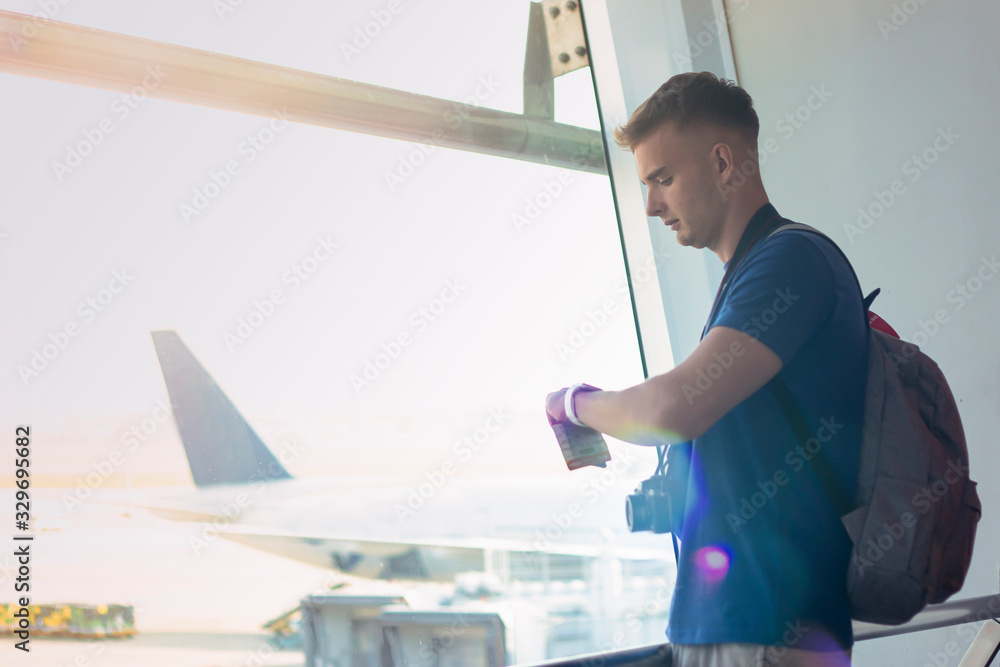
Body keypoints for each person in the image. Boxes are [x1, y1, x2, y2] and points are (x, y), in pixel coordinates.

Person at [545, 72, 868, 666]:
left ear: (723, 163)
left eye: (662, 179)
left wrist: (573, 404)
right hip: (750, 622)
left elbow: (673, 409)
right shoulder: (756, 274)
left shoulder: (789, 261)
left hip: (764, 623)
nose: (650, 205)